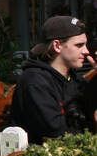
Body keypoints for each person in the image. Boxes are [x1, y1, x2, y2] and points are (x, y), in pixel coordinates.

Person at [10, 15, 92, 145]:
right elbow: (55, 133)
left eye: (85, 45)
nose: (86, 51)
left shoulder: (75, 79)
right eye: (79, 45)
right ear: (57, 46)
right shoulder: (34, 81)